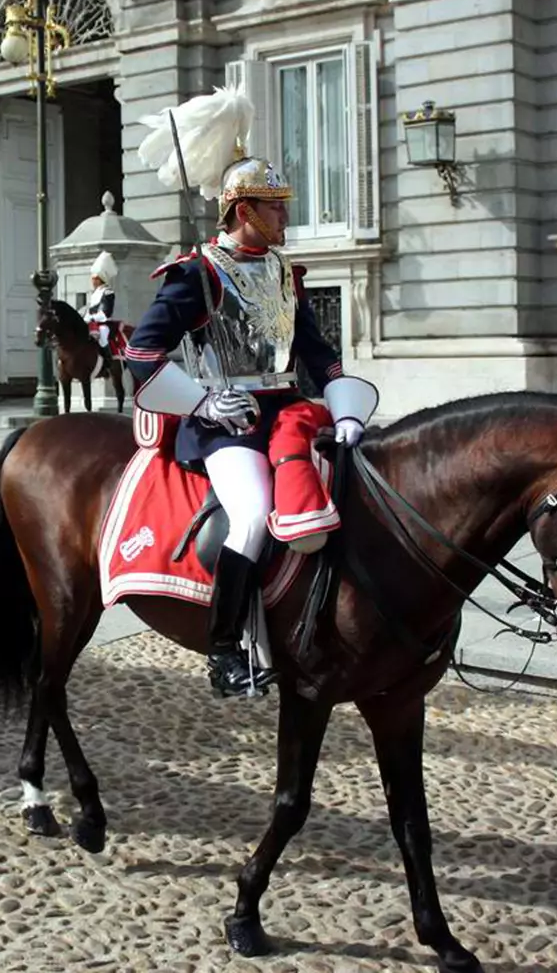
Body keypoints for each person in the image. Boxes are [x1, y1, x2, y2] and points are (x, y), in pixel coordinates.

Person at [124, 82, 378, 699]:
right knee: (253, 518)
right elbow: (141, 352)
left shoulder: (288, 274)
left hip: (290, 410)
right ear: (244, 212)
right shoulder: (197, 273)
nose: (287, 215)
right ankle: (224, 648)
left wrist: (347, 415)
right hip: (226, 420)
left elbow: (320, 354)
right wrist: (204, 400)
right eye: (276, 206)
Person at [85, 251, 119, 356]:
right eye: (93, 279)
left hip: (103, 324)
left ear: (101, 279)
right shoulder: (94, 294)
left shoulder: (108, 292)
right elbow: (89, 310)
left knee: (103, 337)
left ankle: (108, 360)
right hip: (91, 323)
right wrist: (85, 318)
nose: (93, 281)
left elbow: (106, 313)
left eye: (96, 279)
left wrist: (93, 318)